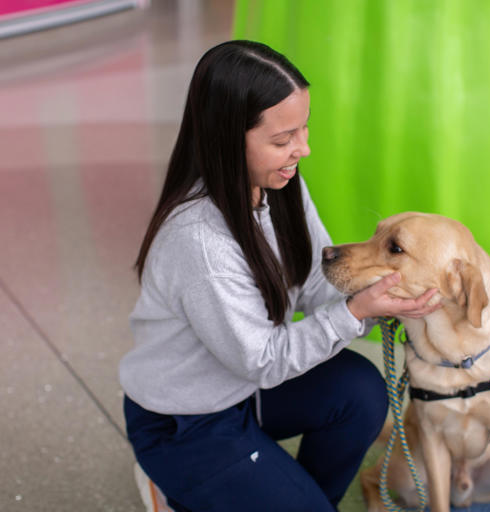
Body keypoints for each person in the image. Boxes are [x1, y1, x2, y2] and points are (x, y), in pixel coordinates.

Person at [119, 40, 439, 512]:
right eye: (282, 139)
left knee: (360, 391)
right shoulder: (200, 241)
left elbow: (315, 285)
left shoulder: (280, 184)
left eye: (304, 129)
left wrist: (382, 296)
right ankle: (173, 486)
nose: (303, 149)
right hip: (188, 421)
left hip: (246, 391)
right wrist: (356, 312)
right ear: (229, 138)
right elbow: (264, 361)